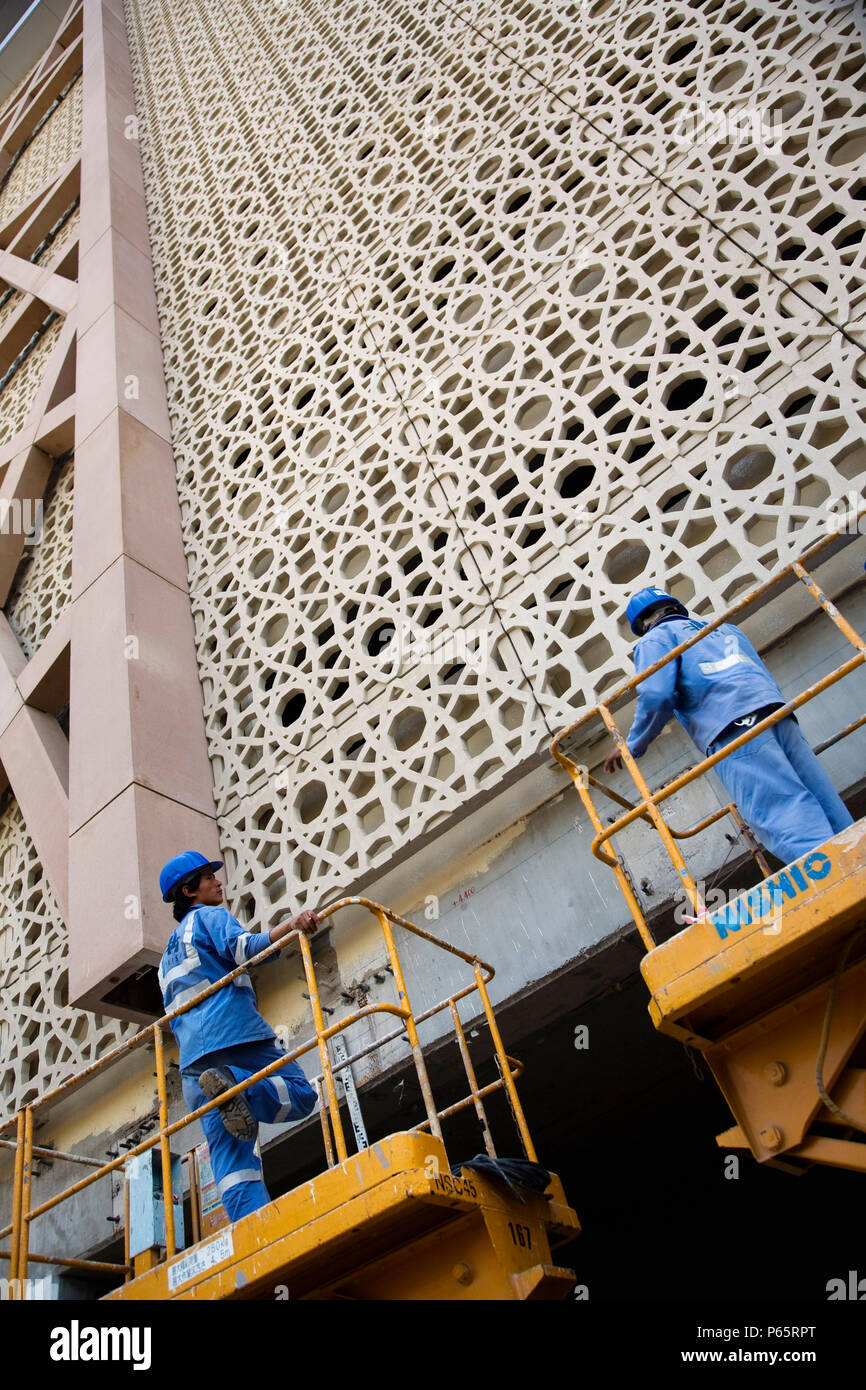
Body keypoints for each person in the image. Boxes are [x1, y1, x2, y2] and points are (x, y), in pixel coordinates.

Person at [604, 588, 853, 866]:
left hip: (731, 730)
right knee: (821, 797)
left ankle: (831, 874)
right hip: (777, 714)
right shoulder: (726, 630)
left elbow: (657, 695)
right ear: (674, 606)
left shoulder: (655, 639)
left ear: (643, 624)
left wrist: (632, 745)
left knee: (779, 810)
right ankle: (856, 858)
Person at [157, 850, 319, 1222]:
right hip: (235, 1037)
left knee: (232, 1162)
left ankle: (253, 1233)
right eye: (208, 878)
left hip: (194, 1066)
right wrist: (291, 925)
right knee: (300, 1092)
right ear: (189, 890)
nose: (218, 882)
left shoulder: (165, 958)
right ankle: (238, 1088)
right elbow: (247, 950)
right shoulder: (209, 916)